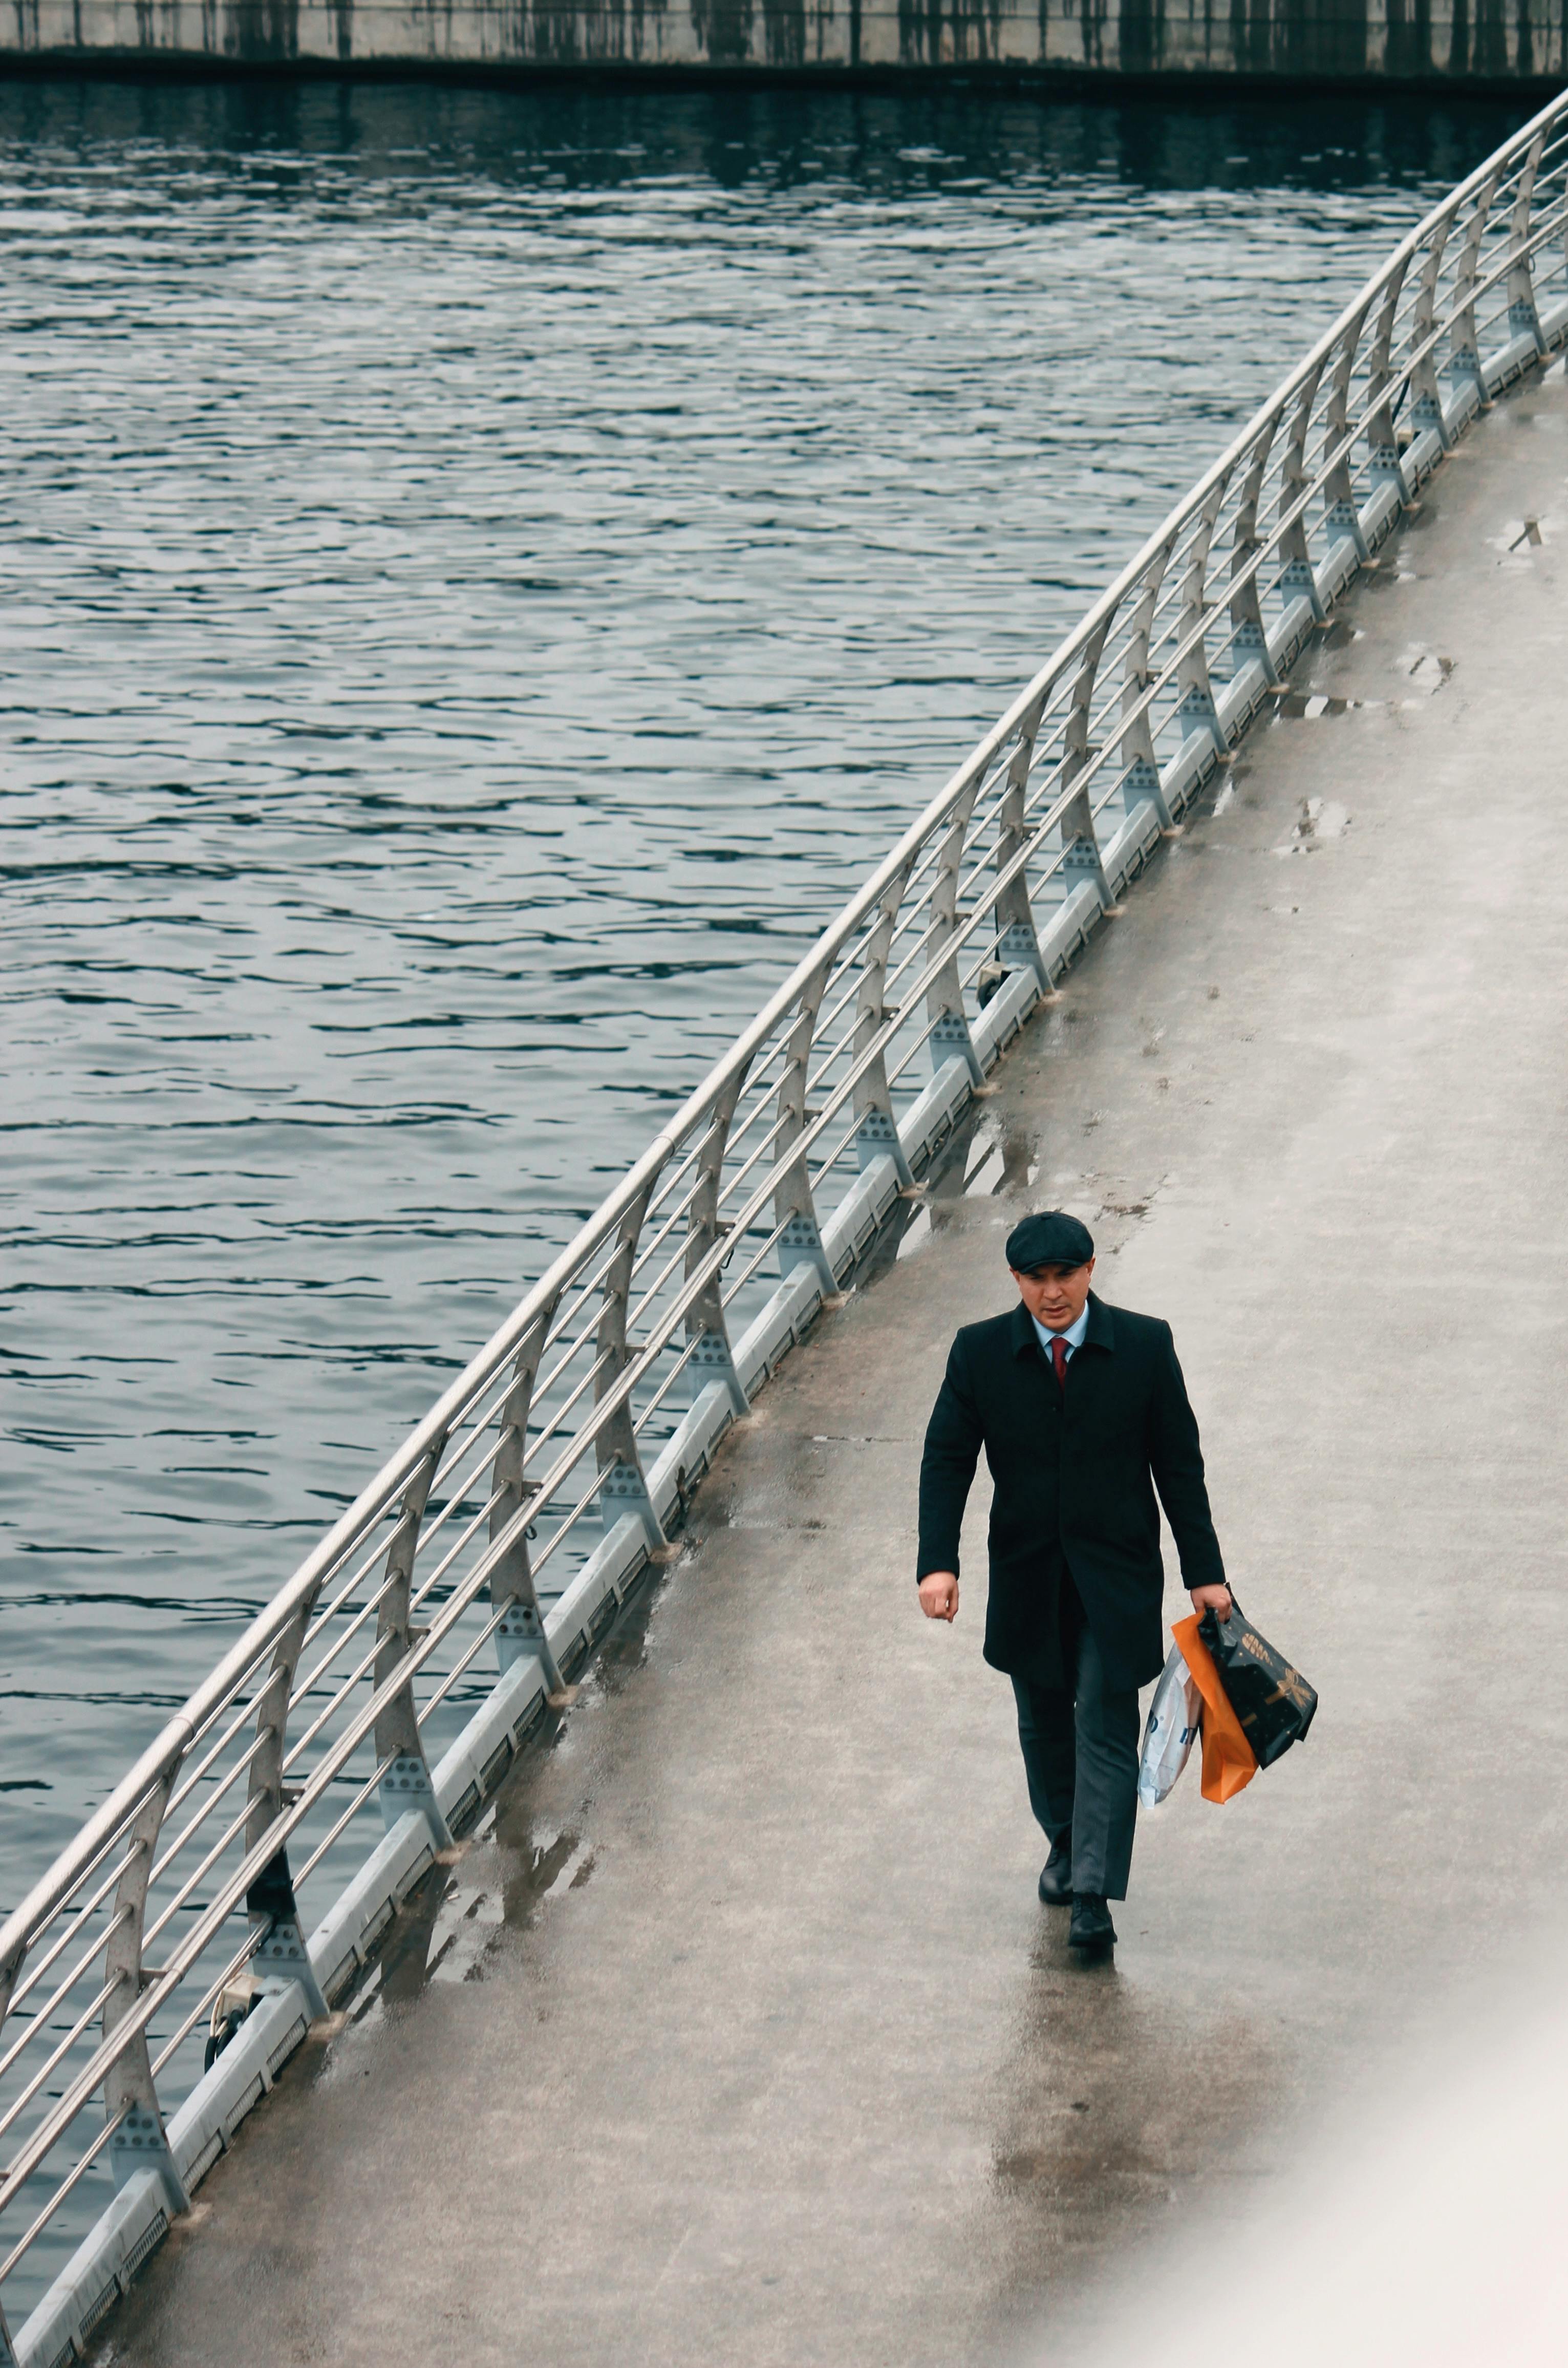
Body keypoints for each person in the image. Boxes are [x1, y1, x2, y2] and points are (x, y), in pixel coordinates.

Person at [915, 1210, 1232, 1954]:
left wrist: (1206, 1574)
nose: (1052, 1292)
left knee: (1105, 1724)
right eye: (1037, 1279)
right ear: (1017, 1280)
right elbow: (946, 1459)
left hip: (1115, 1576)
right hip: (1029, 1575)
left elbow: (1179, 1467)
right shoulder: (981, 1353)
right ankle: (1064, 1840)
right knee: (1045, 1726)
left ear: (1091, 1270)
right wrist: (939, 1561)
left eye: (1065, 1275)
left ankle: (1092, 1893)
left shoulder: (1146, 1347)